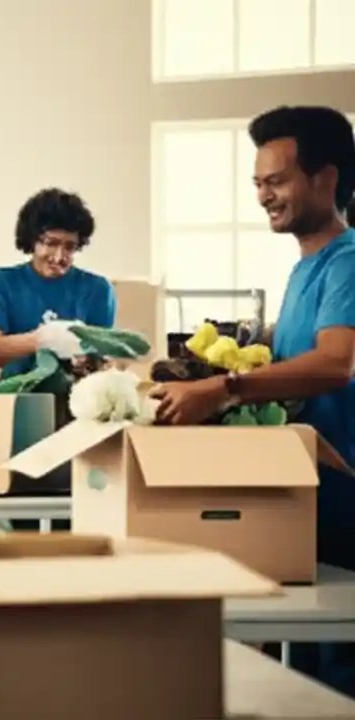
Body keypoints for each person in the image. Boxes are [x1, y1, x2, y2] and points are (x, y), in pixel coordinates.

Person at [151, 105, 355, 695]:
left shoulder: (348, 261)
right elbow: (291, 361)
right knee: (303, 680)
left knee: (337, 684)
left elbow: (336, 364)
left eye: (277, 180)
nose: (264, 195)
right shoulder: (303, 271)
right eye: (258, 183)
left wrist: (223, 389)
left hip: (346, 507)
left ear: (326, 177)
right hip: (306, 508)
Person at [0, 188, 116, 377]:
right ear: (32, 240)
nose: (59, 257)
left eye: (69, 247)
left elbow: (101, 357)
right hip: (12, 395)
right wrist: (45, 339)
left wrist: (88, 360)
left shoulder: (97, 289)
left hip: (75, 398)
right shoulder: (1, 282)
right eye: (51, 243)